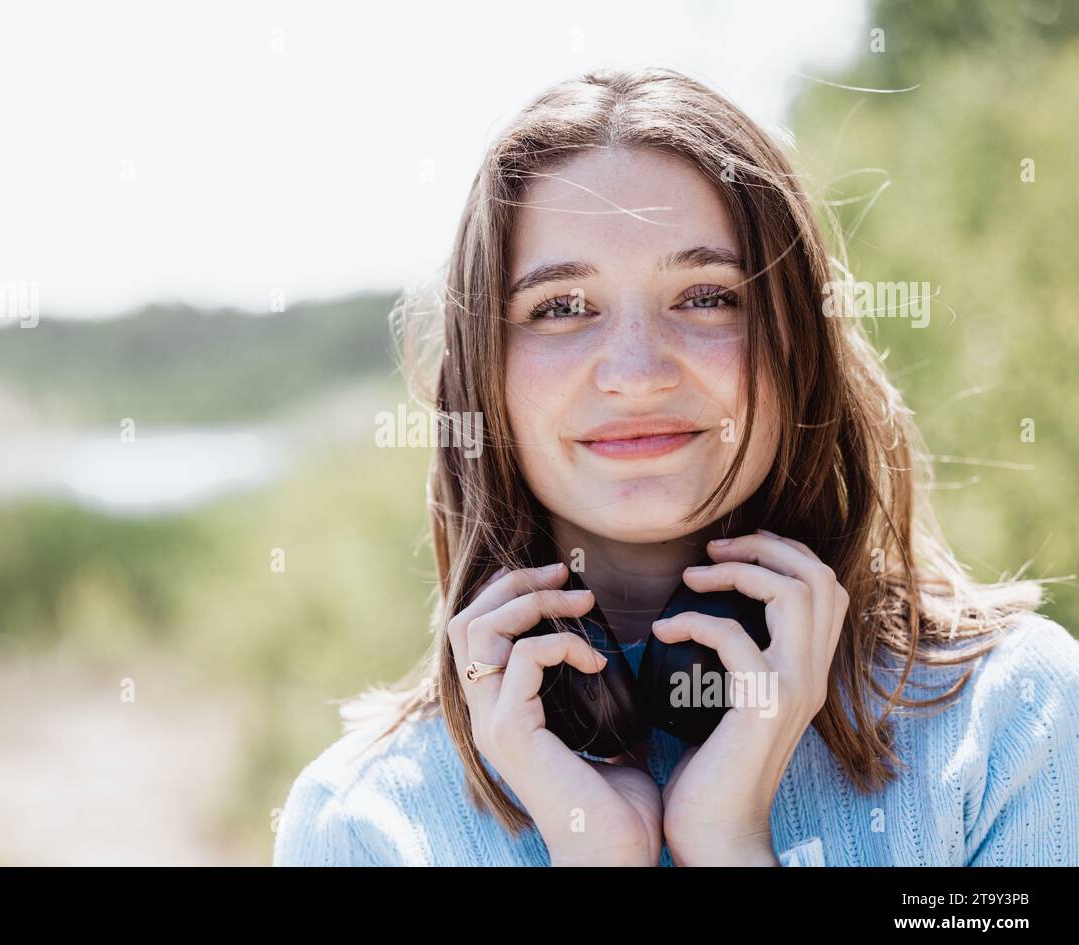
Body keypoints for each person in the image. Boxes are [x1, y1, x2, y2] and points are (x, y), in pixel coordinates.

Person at [273, 66, 1079, 866]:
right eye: (560, 307)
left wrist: (727, 844)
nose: (636, 371)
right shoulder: (364, 825)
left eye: (707, 296)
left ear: (799, 342)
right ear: (484, 378)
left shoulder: (1015, 721)